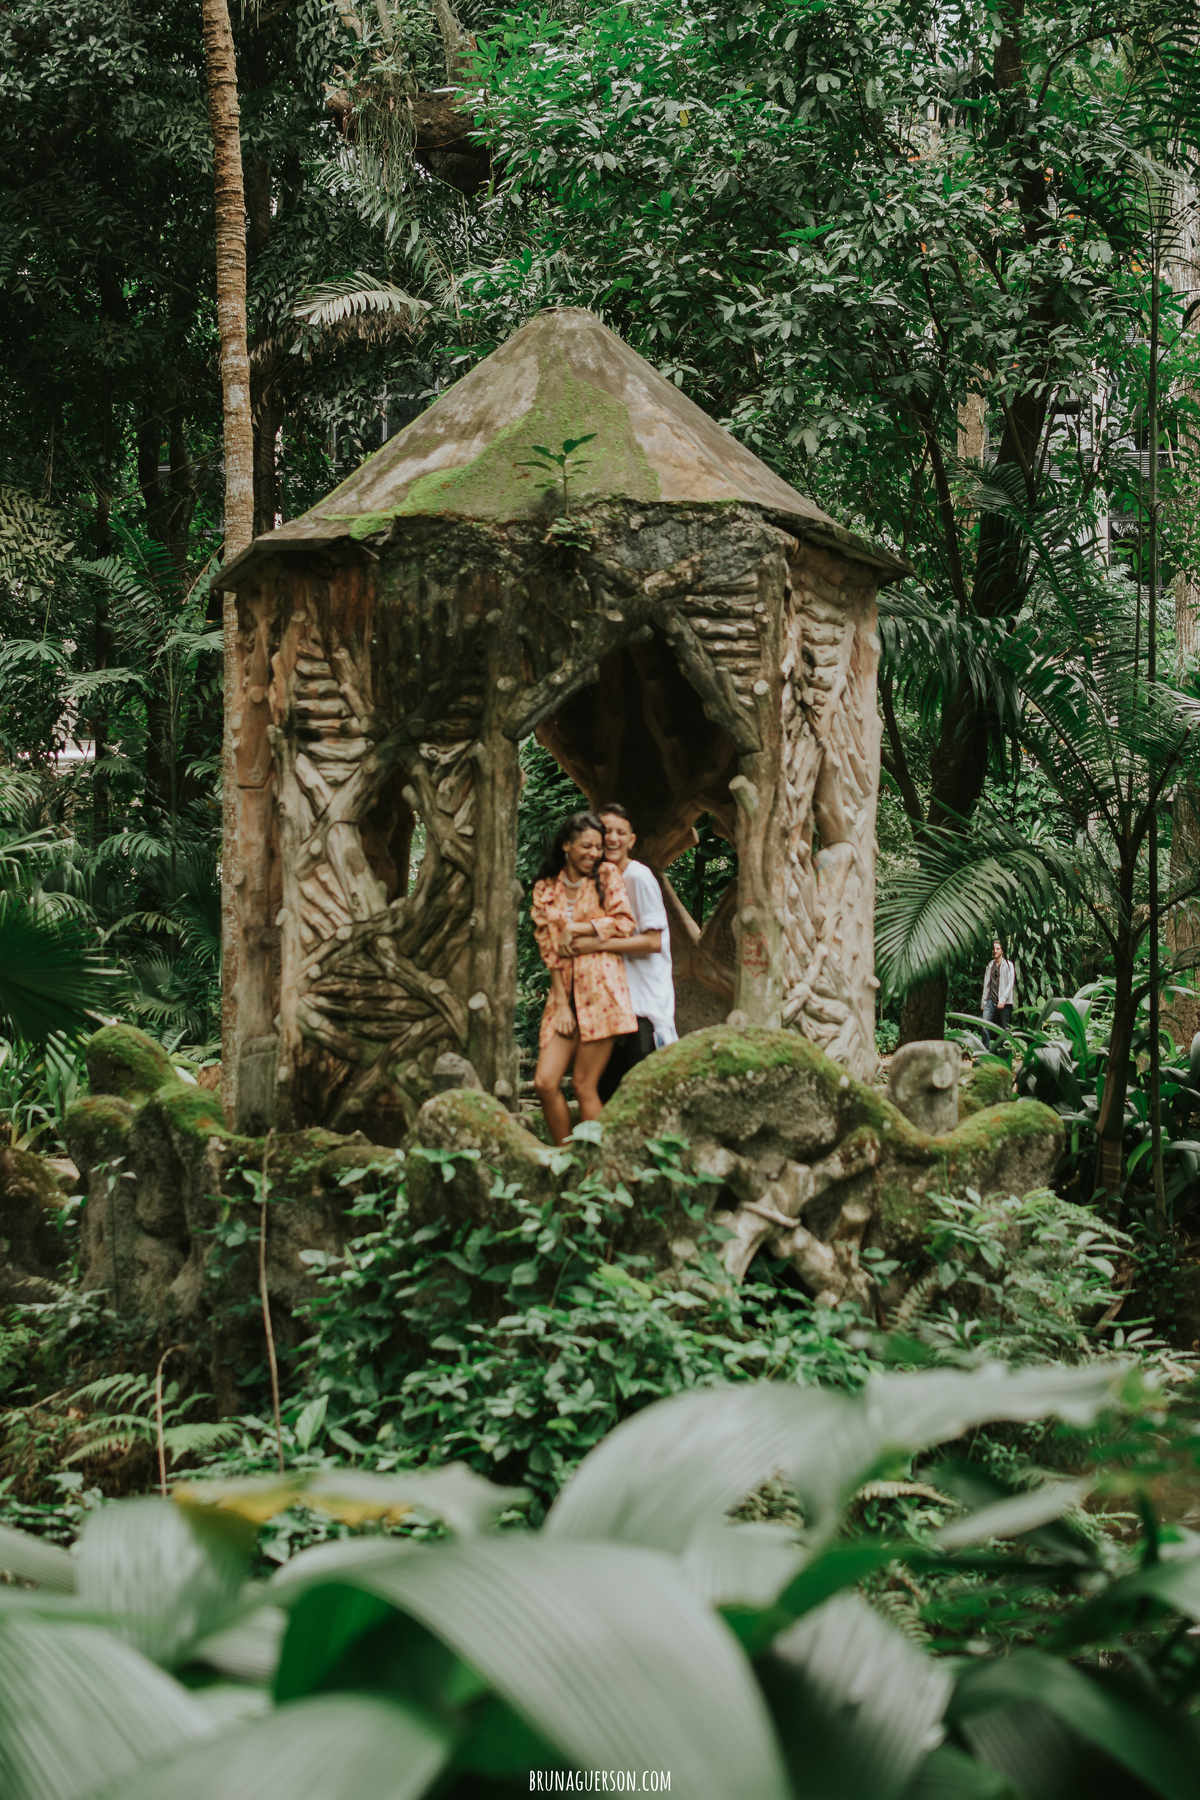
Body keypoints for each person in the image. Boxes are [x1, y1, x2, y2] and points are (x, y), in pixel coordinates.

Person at [530, 811, 637, 1145]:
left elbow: (624, 921)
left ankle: (598, 1169)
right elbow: (549, 949)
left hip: (603, 992)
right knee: (545, 1083)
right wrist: (561, 1005)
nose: (594, 853)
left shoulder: (607, 875)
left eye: (597, 847)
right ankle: (568, 1158)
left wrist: (578, 927)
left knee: (583, 1084)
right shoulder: (546, 888)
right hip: (565, 996)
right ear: (566, 846)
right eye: (586, 846)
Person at [567, 805, 677, 1103]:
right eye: (606, 831)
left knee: (642, 1096)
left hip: (643, 1006)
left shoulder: (638, 877)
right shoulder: (597, 879)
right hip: (611, 1005)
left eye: (620, 832)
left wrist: (597, 944)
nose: (612, 838)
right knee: (607, 1093)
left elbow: (653, 941)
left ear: (632, 840)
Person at [980, 938, 1015, 1049]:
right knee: (984, 1025)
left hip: (1003, 1002)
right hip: (990, 1000)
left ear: (1002, 951)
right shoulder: (990, 965)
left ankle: (1002, 1054)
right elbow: (986, 984)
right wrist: (983, 1002)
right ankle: (985, 1050)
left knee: (1004, 1030)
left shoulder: (1009, 965)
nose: (995, 951)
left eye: (998, 949)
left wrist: (1003, 999)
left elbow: (1010, 983)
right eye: (994, 949)